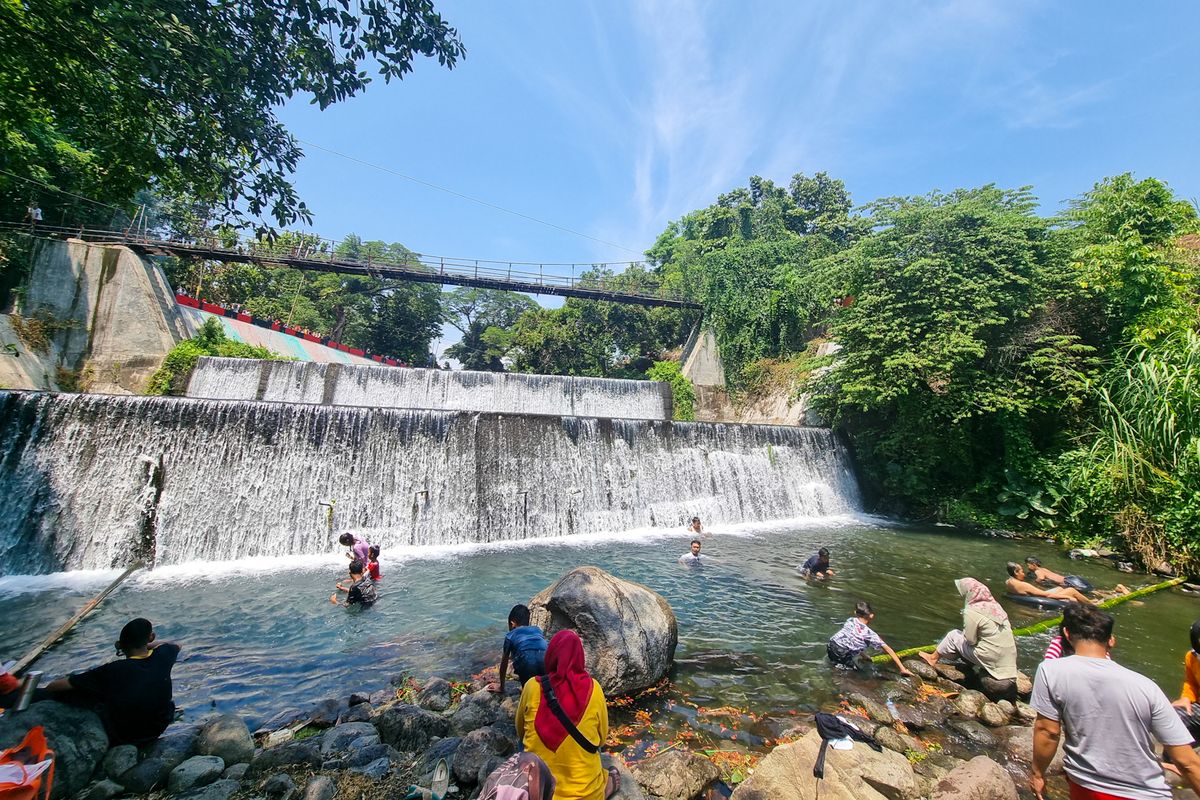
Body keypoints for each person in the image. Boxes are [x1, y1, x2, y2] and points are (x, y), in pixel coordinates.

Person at [1030, 603, 1200, 799]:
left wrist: (1038, 773)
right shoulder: (1147, 687)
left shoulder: (1050, 670)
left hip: (1088, 789)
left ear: (1066, 634)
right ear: (1111, 641)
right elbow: (1187, 761)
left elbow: (1048, 731)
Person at [42, 618, 180, 745]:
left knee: (83, 691)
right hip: (158, 727)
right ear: (151, 638)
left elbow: (53, 687)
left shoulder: (112, 670)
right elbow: (175, 644)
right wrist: (146, 643)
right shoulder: (164, 655)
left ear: (120, 645)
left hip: (126, 736)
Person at [516, 630, 619, 800]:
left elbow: (520, 732)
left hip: (537, 793)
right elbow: (601, 740)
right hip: (584, 795)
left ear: (551, 656)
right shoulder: (594, 689)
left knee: (524, 741)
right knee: (594, 743)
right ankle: (605, 786)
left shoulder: (531, 686)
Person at [918, 578, 1018, 686]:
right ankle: (970, 665)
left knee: (953, 635)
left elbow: (970, 640)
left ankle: (932, 658)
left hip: (990, 656)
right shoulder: (997, 608)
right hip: (1008, 659)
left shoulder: (972, 611)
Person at [826, 601, 913, 676]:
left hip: (832, 644)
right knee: (854, 674)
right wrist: (902, 669)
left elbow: (854, 640)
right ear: (871, 616)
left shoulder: (851, 620)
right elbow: (888, 649)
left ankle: (834, 670)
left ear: (855, 613)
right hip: (842, 652)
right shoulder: (870, 634)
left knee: (836, 664)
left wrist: (864, 656)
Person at [487, 604, 548, 694]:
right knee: (544, 688)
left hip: (527, 663)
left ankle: (526, 691)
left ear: (512, 624)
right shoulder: (537, 630)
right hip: (546, 661)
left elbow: (504, 663)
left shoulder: (510, 636)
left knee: (528, 689)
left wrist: (501, 687)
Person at [1006, 562, 1093, 604]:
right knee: (1071, 590)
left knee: (1060, 588)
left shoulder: (1008, 582)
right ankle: (1091, 604)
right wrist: (1067, 596)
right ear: (1016, 572)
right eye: (1022, 571)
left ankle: (1086, 600)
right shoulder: (1024, 585)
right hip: (1043, 599)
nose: (1024, 573)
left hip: (1033, 596)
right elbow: (1047, 595)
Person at [1172, 619, 1200, 740]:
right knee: (1171, 716)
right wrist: (1186, 698)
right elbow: (1191, 683)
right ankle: (1173, 757)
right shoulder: (1192, 657)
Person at [1024, 556, 1094, 593]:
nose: (1027, 567)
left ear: (1033, 564)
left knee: (1081, 590)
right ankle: (1101, 593)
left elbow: (1041, 578)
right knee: (1088, 590)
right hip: (1070, 578)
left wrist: (1035, 583)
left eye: (1027, 565)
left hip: (1067, 582)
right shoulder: (1044, 569)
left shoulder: (1037, 571)